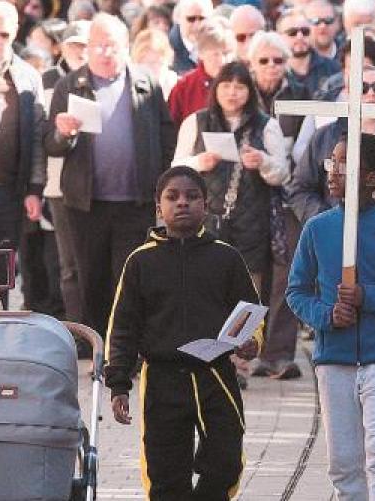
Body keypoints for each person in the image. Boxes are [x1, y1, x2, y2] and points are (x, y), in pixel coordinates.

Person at [104, 166, 262, 500]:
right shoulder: (140, 262)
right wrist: (118, 383)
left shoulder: (226, 257)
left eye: (192, 197)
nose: (182, 203)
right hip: (162, 379)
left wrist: (251, 342)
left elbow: (251, 310)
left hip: (216, 376)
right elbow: (122, 326)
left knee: (225, 462)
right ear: (158, 206)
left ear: (206, 205)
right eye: (172, 197)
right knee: (164, 473)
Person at [287, 134, 375, 497]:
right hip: (334, 358)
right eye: (332, 162)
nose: (333, 172)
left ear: (372, 177)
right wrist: (327, 316)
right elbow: (296, 292)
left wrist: (369, 297)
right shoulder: (317, 228)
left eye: (344, 164)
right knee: (344, 462)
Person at [45, 13, 175, 336]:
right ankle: (99, 348)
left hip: (136, 203)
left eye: (112, 45)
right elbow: (51, 143)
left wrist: (162, 186)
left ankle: (125, 351)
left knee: (129, 279)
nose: (105, 52)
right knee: (92, 280)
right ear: (87, 49)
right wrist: (64, 133)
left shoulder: (147, 83)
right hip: (86, 205)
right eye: (98, 46)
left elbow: (166, 135)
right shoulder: (69, 85)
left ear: (126, 47)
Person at [173, 60, 290, 290]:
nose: (232, 93)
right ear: (216, 88)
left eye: (239, 87)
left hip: (252, 226)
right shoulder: (196, 121)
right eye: (226, 86)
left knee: (248, 295)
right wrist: (198, 162)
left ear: (250, 91)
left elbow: (282, 174)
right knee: (203, 292)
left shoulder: (266, 126)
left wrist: (262, 162)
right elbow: (175, 168)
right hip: (205, 222)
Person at [0, 0, 47, 310]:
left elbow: (37, 138)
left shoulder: (27, 76)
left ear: (15, 33)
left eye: (4, 35)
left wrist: (35, 189)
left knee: (2, 269)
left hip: (8, 189)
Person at [169, 19, 235, 125]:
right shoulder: (184, 88)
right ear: (201, 54)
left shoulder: (242, 83)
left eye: (226, 53)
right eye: (215, 54)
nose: (222, 60)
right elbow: (170, 128)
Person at [168, 0, 214, 73]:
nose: (197, 25)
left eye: (202, 18)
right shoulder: (168, 49)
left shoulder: (219, 47)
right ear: (178, 18)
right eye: (191, 19)